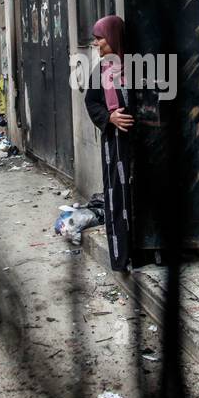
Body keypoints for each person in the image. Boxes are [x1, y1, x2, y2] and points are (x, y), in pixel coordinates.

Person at [83, 15, 133, 272]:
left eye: (100, 37)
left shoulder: (138, 66)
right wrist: (110, 117)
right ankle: (121, 257)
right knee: (117, 196)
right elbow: (91, 102)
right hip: (114, 146)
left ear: (113, 38)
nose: (96, 43)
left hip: (140, 147)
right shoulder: (99, 73)